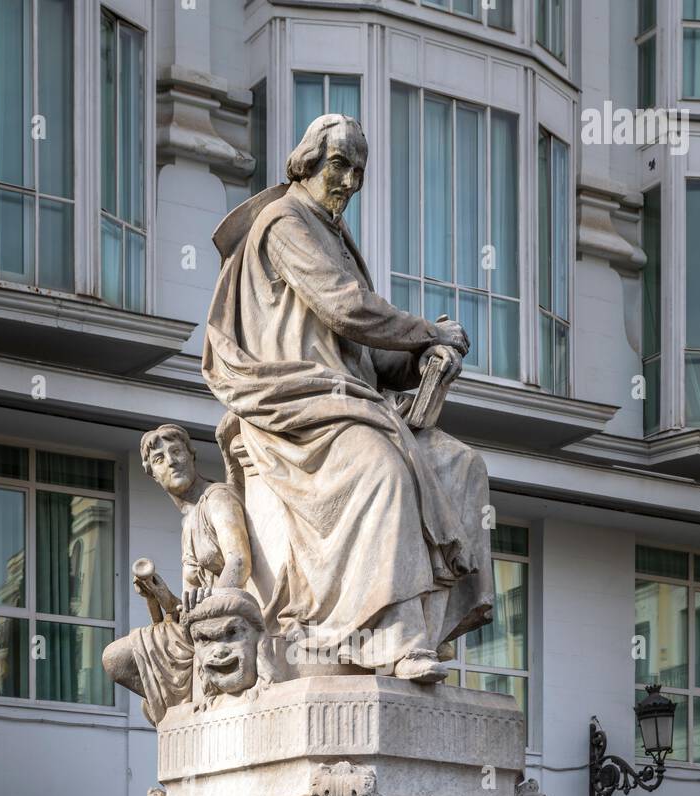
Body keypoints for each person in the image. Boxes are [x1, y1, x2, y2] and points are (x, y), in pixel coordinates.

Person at [203, 114, 493, 684]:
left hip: (348, 395)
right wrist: (425, 331)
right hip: (295, 399)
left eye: (359, 170)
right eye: (340, 165)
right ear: (306, 162)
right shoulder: (285, 221)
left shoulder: (329, 234)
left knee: (463, 465)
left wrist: (419, 360)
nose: (350, 181)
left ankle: (434, 630)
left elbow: (361, 350)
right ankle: (392, 638)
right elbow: (347, 309)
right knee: (380, 468)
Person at [102, 424, 252, 725]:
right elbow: (183, 609)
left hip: (223, 621)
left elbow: (239, 561)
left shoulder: (217, 497)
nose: (171, 461)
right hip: (195, 626)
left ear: (191, 456)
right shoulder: (188, 521)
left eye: (177, 451)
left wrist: (209, 613)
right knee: (116, 659)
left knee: (117, 657)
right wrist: (160, 596)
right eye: (159, 459)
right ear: (153, 474)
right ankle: (176, 708)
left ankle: (180, 705)